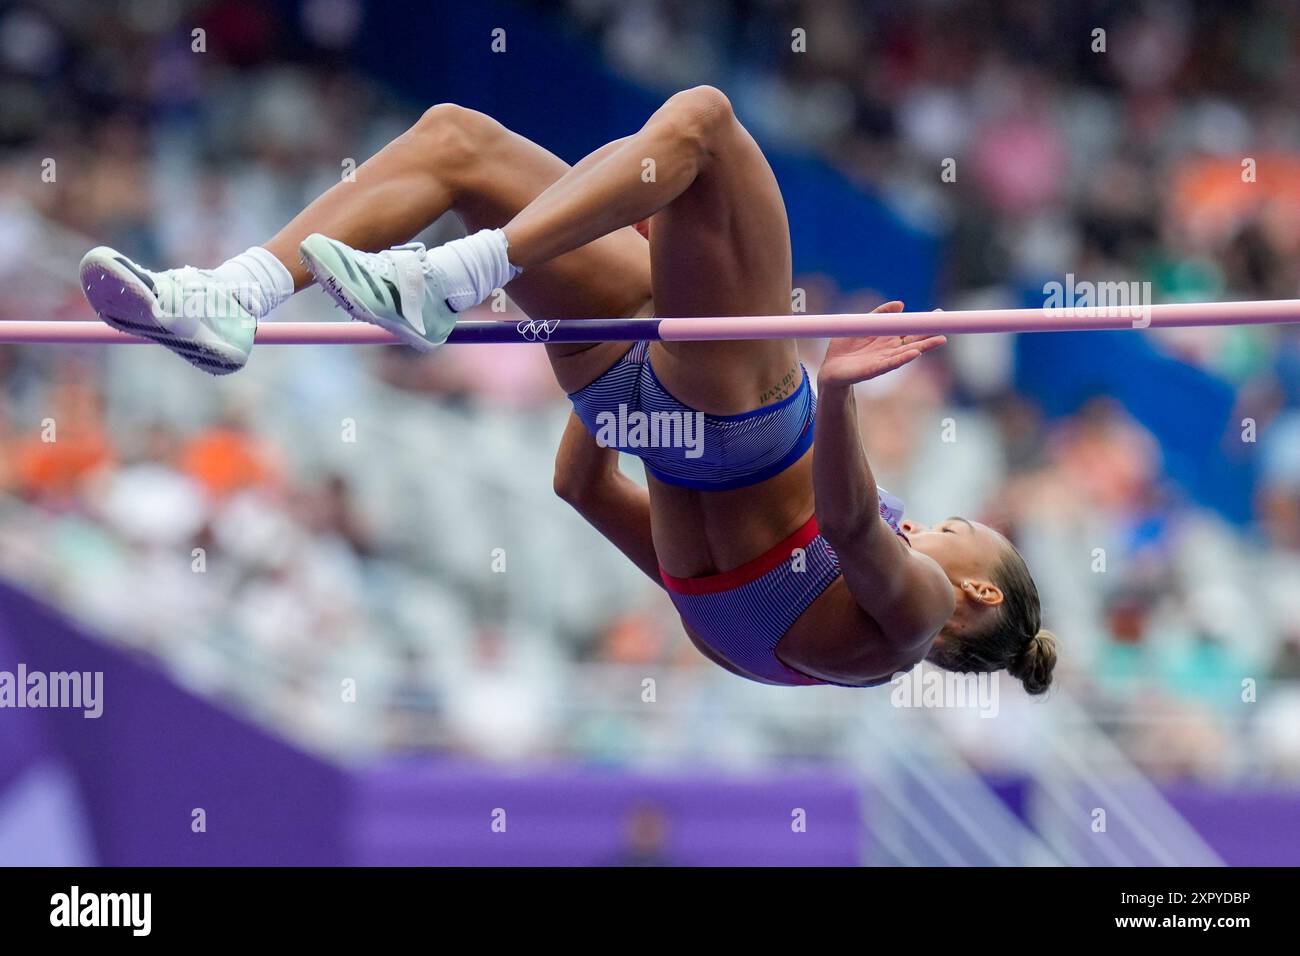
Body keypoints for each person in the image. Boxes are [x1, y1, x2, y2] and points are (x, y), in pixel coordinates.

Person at [79, 87, 1056, 691]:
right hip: (638, 396)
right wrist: (617, 372)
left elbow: (847, 527)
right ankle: (235, 294)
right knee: (460, 140)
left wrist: (838, 391)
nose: (942, 522)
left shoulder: (918, 616)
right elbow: (580, 486)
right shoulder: (771, 654)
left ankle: (468, 269)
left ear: (974, 588)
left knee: (706, 124)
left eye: (962, 528)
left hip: (736, 414)